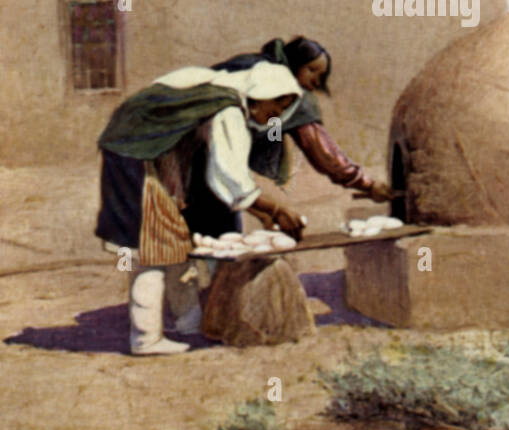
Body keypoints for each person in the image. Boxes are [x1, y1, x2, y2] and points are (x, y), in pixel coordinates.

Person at [96, 60, 304, 356]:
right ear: (260, 95)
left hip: (142, 153)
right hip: (135, 158)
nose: (273, 117)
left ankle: (189, 322)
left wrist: (261, 212)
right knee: (149, 251)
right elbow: (229, 175)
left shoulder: (214, 85)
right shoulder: (227, 108)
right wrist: (274, 209)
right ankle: (145, 339)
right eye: (275, 108)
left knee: (173, 244)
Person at [211, 36, 395, 203]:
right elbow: (325, 155)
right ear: (295, 62)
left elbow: (273, 129)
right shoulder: (289, 96)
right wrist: (367, 185)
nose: (316, 82)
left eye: (321, 76)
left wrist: (274, 146)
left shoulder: (269, 84)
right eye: (311, 70)